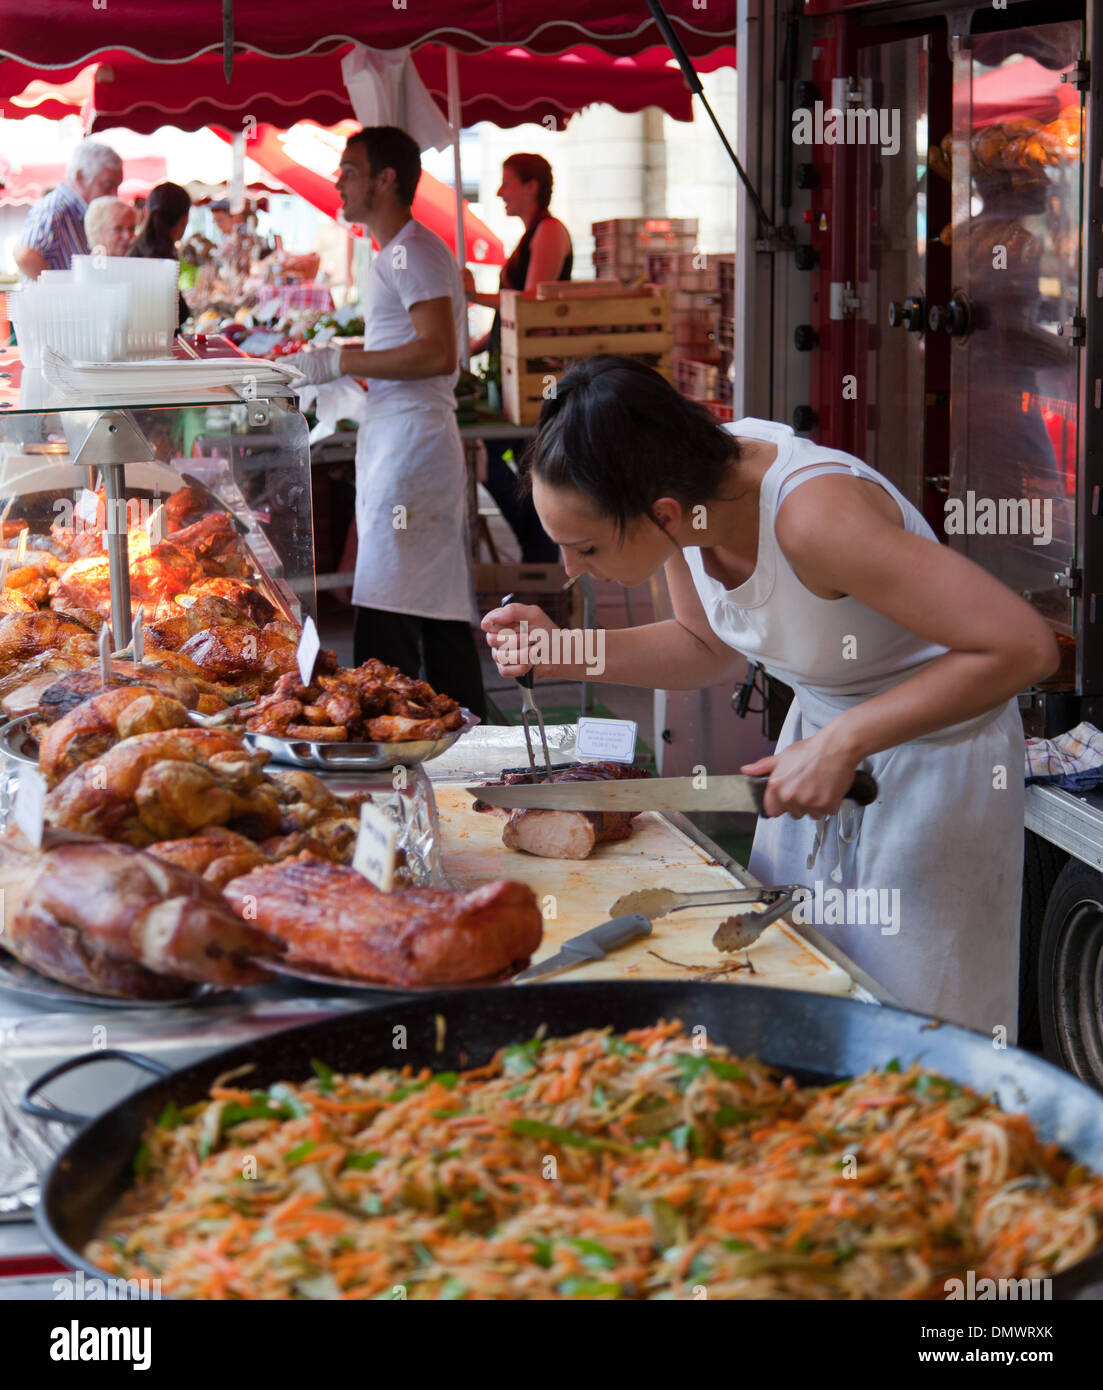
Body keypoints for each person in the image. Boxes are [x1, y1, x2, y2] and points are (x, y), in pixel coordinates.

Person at [482, 355, 1059, 1037]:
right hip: (818, 748)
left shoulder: (814, 518)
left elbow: (1023, 648)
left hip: (934, 761)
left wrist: (847, 740)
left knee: (914, 1033)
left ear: (659, 515)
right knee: (791, 986)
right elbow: (706, 646)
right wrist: (562, 653)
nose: (571, 569)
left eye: (584, 548)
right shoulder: (678, 488)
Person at [288, 126, 487, 720]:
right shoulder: (394, 253)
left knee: (400, 603)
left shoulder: (413, 250)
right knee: (419, 604)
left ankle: (383, 728)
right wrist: (349, 353)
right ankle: (449, 727)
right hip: (398, 440)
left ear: (386, 178)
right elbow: (409, 343)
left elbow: (437, 353)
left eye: (349, 169)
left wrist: (340, 361)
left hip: (415, 446)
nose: (338, 180)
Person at [466, 154, 573, 563]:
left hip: (537, 377)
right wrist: (475, 346)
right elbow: (508, 316)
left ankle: (539, 549)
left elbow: (529, 303)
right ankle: (537, 550)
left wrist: (474, 295)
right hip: (518, 374)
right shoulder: (533, 233)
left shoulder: (549, 232)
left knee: (503, 456)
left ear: (531, 186)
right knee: (506, 457)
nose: (499, 192)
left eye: (507, 182)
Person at [14, 141, 123, 278]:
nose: (114, 194)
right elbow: (25, 256)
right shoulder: (55, 207)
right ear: (80, 177)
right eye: (108, 185)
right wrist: (61, 289)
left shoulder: (79, 211)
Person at [127, 182, 193, 328]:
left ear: (146, 211)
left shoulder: (134, 249)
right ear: (185, 220)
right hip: (159, 347)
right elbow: (180, 315)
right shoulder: (163, 259)